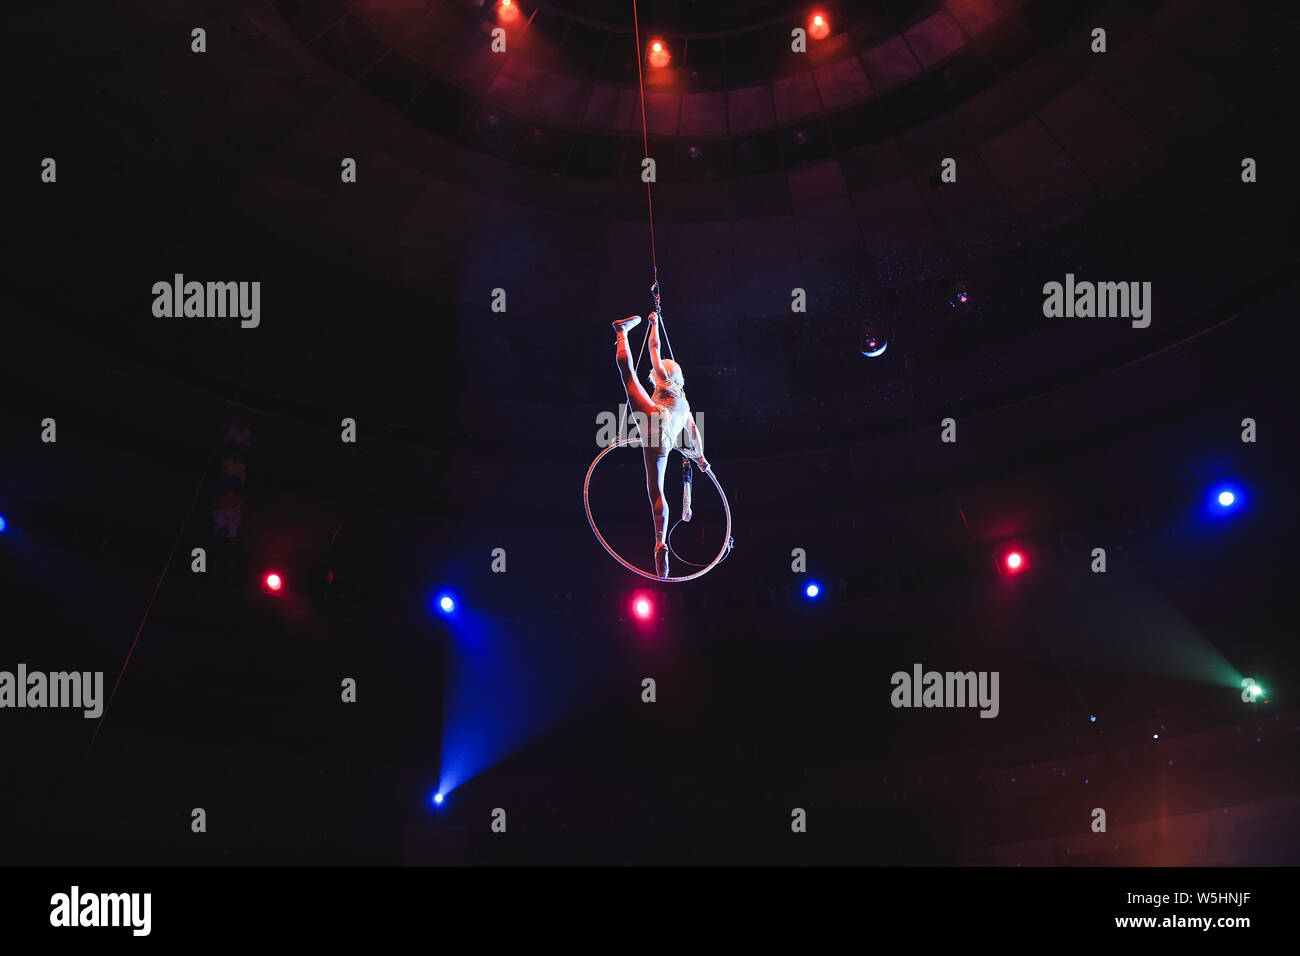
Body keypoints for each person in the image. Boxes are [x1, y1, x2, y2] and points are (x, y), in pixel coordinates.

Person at [611, 311, 708, 578]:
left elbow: (654, 347)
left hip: (656, 420)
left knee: (629, 376)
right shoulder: (686, 404)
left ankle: (621, 332)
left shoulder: (665, 378)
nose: (656, 369)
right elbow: (694, 433)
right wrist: (701, 458)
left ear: (668, 372)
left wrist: (653, 324)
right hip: (662, 439)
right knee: (656, 493)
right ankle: (659, 542)